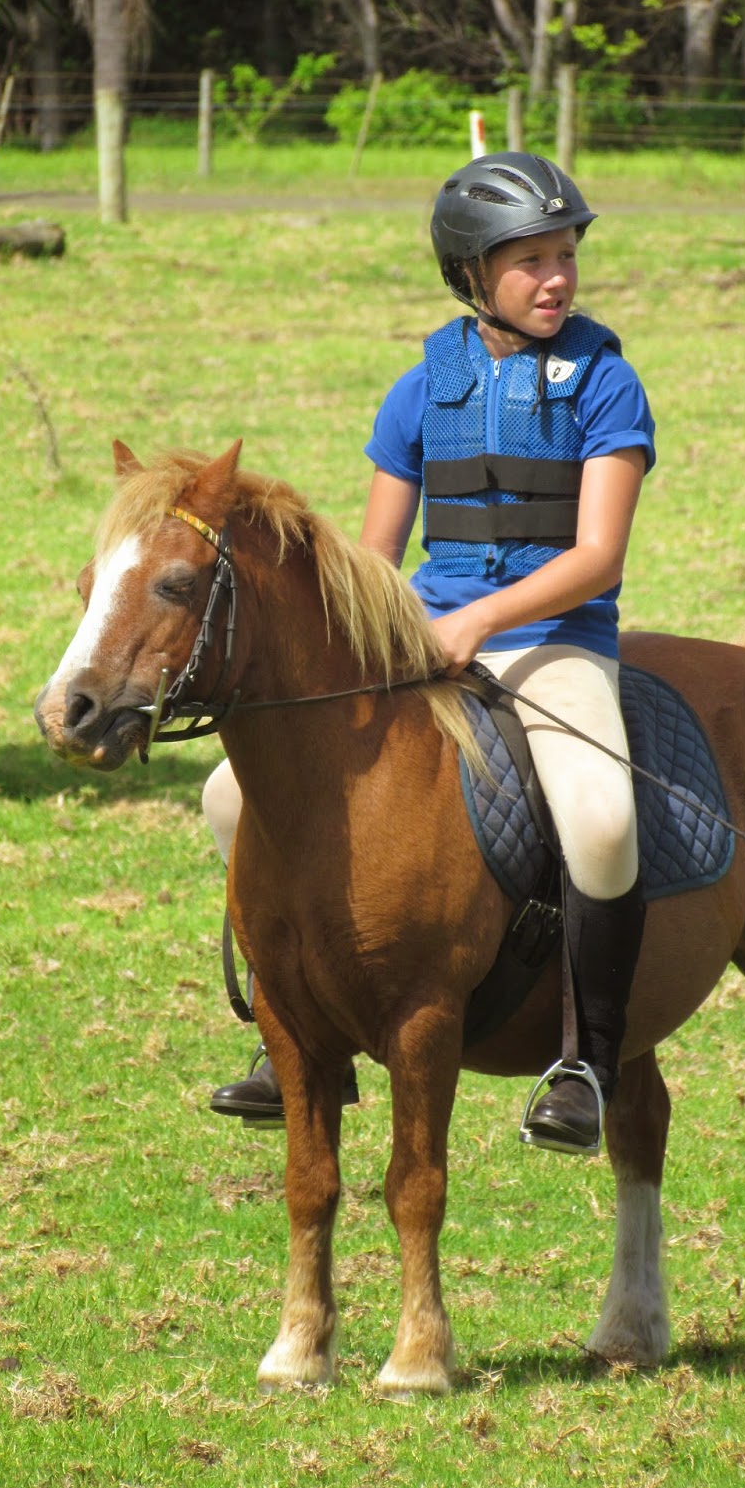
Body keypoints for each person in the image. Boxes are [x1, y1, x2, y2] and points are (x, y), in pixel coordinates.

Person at [205, 150, 655, 1154]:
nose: (557, 278)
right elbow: (375, 556)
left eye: (566, 254)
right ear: (470, 275)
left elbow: (597, 555)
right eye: (529, 260)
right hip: (425, 633)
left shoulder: (608, 384)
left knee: (602, 815)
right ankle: (290, 1029)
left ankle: (587, 1060)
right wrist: (398, 626)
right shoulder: (420, 390)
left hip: (553, 641)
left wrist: (479, 621)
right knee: (227, 797)